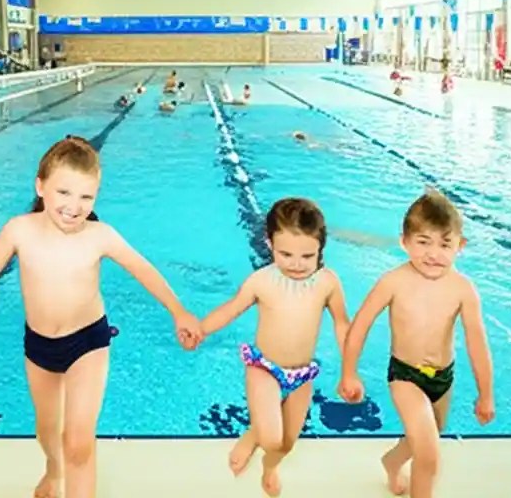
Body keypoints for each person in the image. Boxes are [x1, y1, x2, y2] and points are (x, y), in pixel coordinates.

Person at [0, 136, 202, 498]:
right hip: (39, 346)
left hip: (87, 342)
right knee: (46, 431)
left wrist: (178, 311)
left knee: (78, 442)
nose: (74, 207)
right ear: (40, 187)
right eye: (64, 193)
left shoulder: (99, 236)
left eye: (86, 197)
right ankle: (53, 470)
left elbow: (143, 269)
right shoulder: (20, 229)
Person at [338, 189, 495, 498]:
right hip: (405, 375)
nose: (434, 254)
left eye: (444, 244)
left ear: (459, 247)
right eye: (423, 242)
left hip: (443, 378)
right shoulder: (393, 282)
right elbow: (361, 325)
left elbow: (478, 344)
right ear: (404, 242)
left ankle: (391, 462)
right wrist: (348, 372)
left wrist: (486, 394)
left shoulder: (464, 290)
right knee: (429, 454)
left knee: (424, 438)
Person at [197, 198, 350, 497]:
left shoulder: (328, 283)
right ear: (269, 244)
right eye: (286, 254)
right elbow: (231, 309)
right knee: (271, 438)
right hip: (264, 367)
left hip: (302, 373)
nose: (296, 264)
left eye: (308, 255)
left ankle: (269, 466)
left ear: (321, 249)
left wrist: (350, 367)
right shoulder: (261, 281)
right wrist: (201, 330)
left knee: (286, 444)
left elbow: (343, 324)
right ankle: (257, 435)